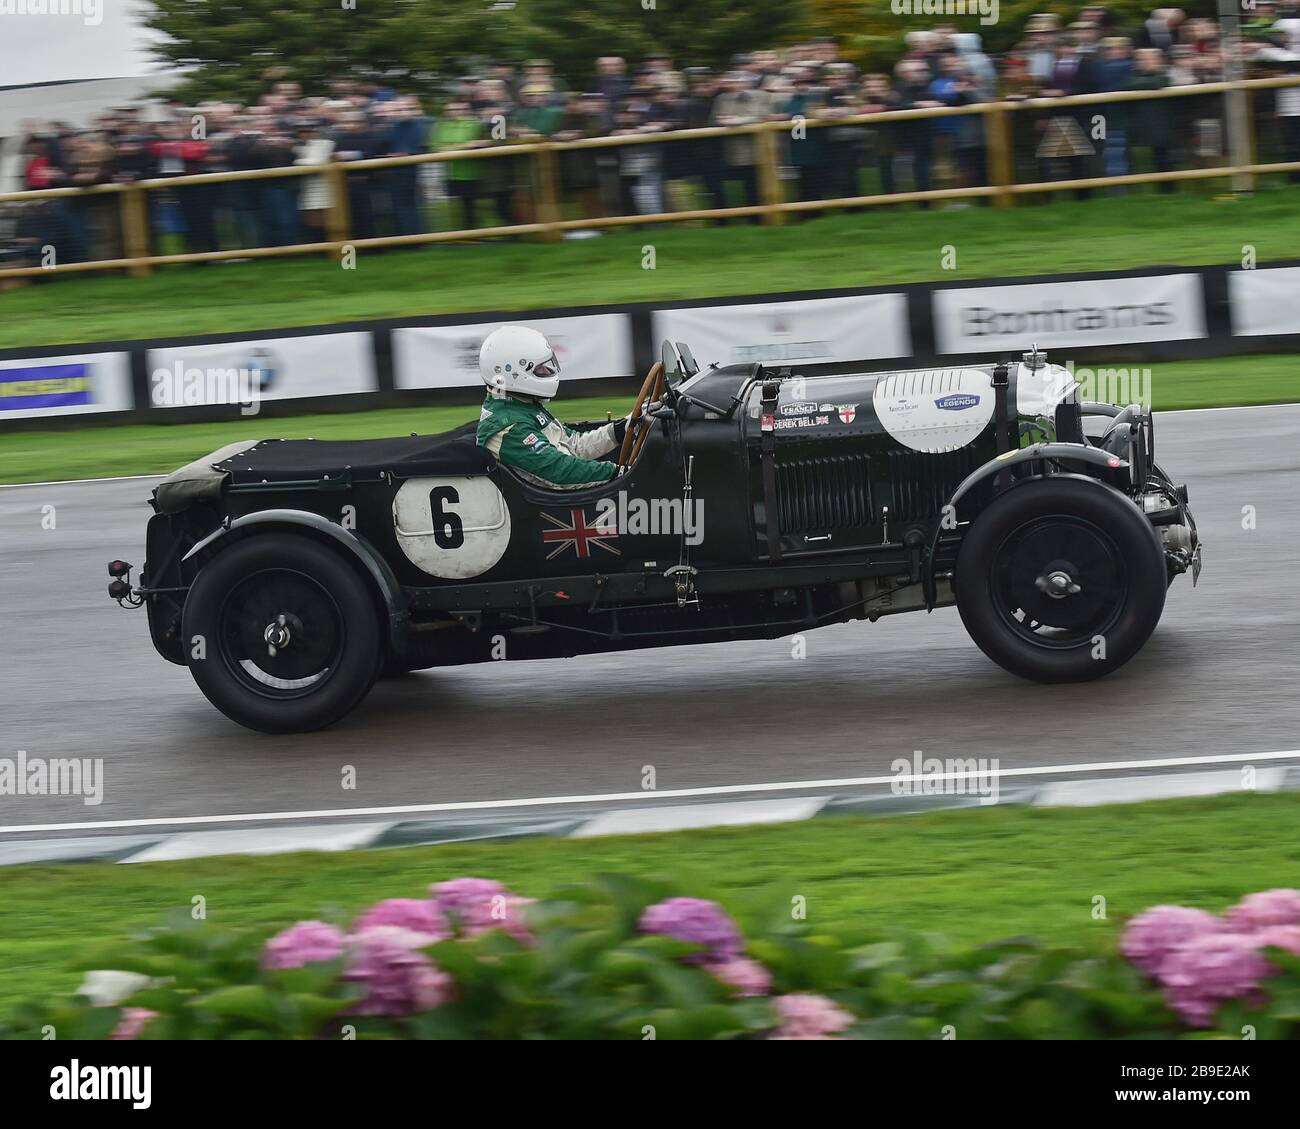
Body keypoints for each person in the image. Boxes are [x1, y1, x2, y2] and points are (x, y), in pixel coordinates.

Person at [475, 325, 630, 489]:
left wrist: (622, 428)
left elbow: (574, 445)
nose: (547, 371)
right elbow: (560, 471)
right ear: (511, 371)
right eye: (539, 368)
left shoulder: (522, 405)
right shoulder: (509, 426)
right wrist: (620, 472)